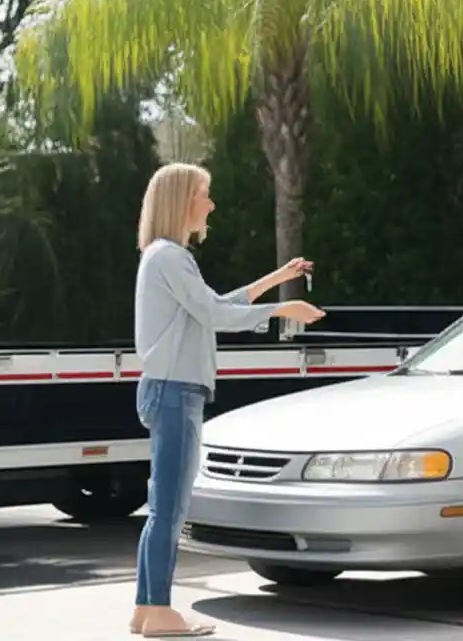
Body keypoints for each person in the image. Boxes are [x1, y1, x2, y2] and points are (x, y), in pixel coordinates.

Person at [128, 162, 326, 637]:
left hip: (171, 389)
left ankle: (146, 608)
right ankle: (157, 609)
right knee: (169, 508)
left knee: (163, 505)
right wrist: (281, 308)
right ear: (182, 201)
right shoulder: (171, 257)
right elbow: (216, 313)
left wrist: (277, 280)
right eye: (204, 194)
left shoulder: (163, 258)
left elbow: (213, 304)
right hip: (176, 393)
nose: (211, 204)